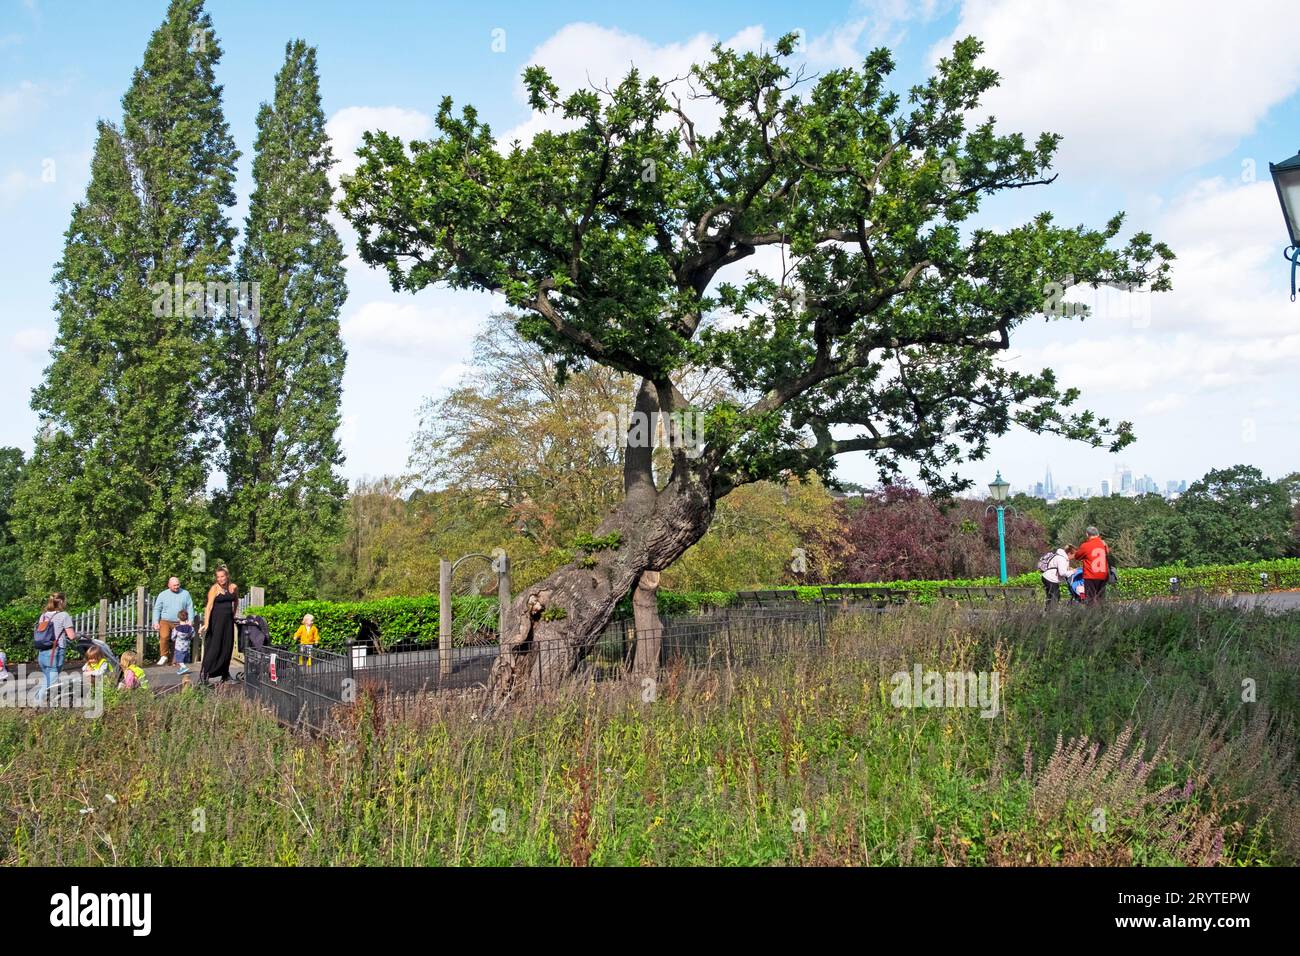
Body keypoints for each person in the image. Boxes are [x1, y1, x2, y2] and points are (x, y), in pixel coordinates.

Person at [199, 566, 239, 684]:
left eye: (222, 576)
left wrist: (234, 615)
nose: (220, 579)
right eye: (218, 577)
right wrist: (206, 624)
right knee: (214, 647)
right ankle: (205, 675)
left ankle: (225, 675)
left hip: (228, 622)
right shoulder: (214, 589)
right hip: (216, 622)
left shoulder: (233, 587)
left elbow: (236, 601)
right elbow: (209, 607)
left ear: (227, 576)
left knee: (227, 647)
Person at [34, 593, 75, 704]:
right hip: (55, 653)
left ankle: (38, 701)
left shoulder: (43, 616)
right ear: (61, 602)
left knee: (47, 680)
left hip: (42, 652)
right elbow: (71, 636)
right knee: (51, 682)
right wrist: (78, 635)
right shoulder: (64, 615)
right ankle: (38, 704)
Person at [152, 576, 195, 666]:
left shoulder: (185, 594)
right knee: (164, 636)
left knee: (178, 641)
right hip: (165, 620)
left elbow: (190, 607)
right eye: (174, 585)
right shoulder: (162, 594)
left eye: (178, 585)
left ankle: (175, 661)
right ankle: (164, 655)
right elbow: (157, 609)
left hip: (180, 622)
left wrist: (190, 620)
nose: (176, 587)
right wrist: (155, 622)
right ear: (169, 585)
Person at [1075, 526, 1111, 605]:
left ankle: (1091, 616)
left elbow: (1077, 556)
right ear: (1097, 534)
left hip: (1090, 575)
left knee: (1090, 600)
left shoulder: (1085, 545)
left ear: (1087, 534)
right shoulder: (1103, 544)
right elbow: (1107, 553)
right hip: (1103, 575)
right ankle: (1103, 615)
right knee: (1101, 599)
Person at [172, 610, 195, 676]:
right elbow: (192, 635)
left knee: (178, 659)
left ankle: (184, 667)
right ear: (187, 618)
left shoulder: (176, 628)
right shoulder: (191, 628)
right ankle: (182, 668)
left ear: (178, 618)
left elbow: (173, 636)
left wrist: (174, 639)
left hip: (178, 646)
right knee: (184, 657)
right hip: (186, 645)